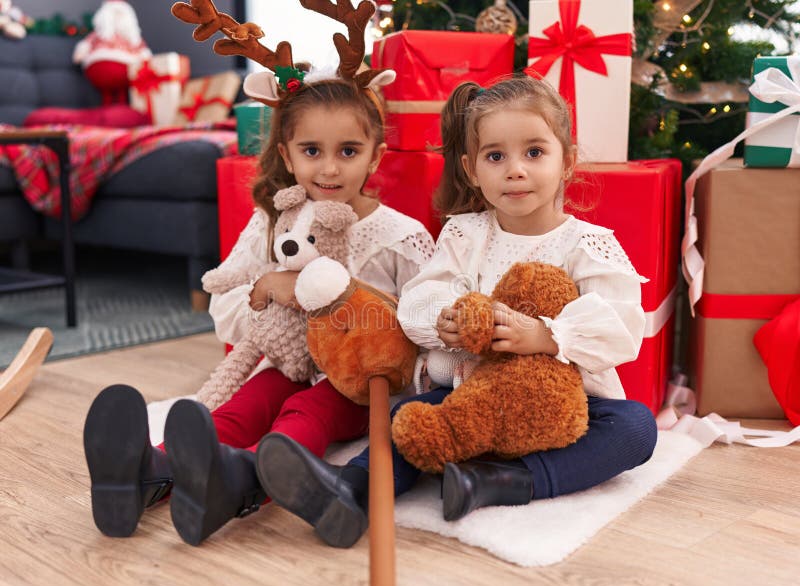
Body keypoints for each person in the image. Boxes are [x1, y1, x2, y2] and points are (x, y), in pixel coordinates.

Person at [256, 75, 658, 548]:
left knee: (635, 427)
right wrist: (444, 322)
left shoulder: (586, 244)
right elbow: (419, 301)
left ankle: (498, 481)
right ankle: (353, 489)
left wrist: (549, 336)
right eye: (495, 156)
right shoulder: (465, 235)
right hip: (470, 397)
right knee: (404, 421)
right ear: (471, 169)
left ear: (567, 161)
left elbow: (623, 326)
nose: (515, 170)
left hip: (563, 408)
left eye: (534, 152)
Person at [82, 76, 435, 545]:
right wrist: (270, 297)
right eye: (312, 151)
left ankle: (243, 480)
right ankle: (152, 470)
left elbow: (426, 320)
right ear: (287, 156)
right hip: (290, 362)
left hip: (357, 383)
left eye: (348, 151)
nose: (330, 168)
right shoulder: (276, 220)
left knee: (307, 408)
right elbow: (225, 301)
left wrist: (330, 302)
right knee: (248, 402)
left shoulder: (400, 235)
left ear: (376, 155)